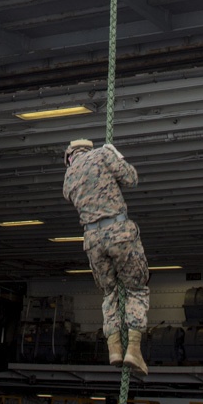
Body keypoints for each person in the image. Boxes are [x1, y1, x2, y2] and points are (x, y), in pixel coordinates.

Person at [63, 138, 149, 374]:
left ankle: (114, 348)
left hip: (92, 240)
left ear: (69, 157)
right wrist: (116, 155)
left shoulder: (68, 177)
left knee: (110, 292)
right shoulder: (102, 154)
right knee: (136, 288)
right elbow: (131, 179)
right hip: (118, 232)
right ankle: (133, 349)